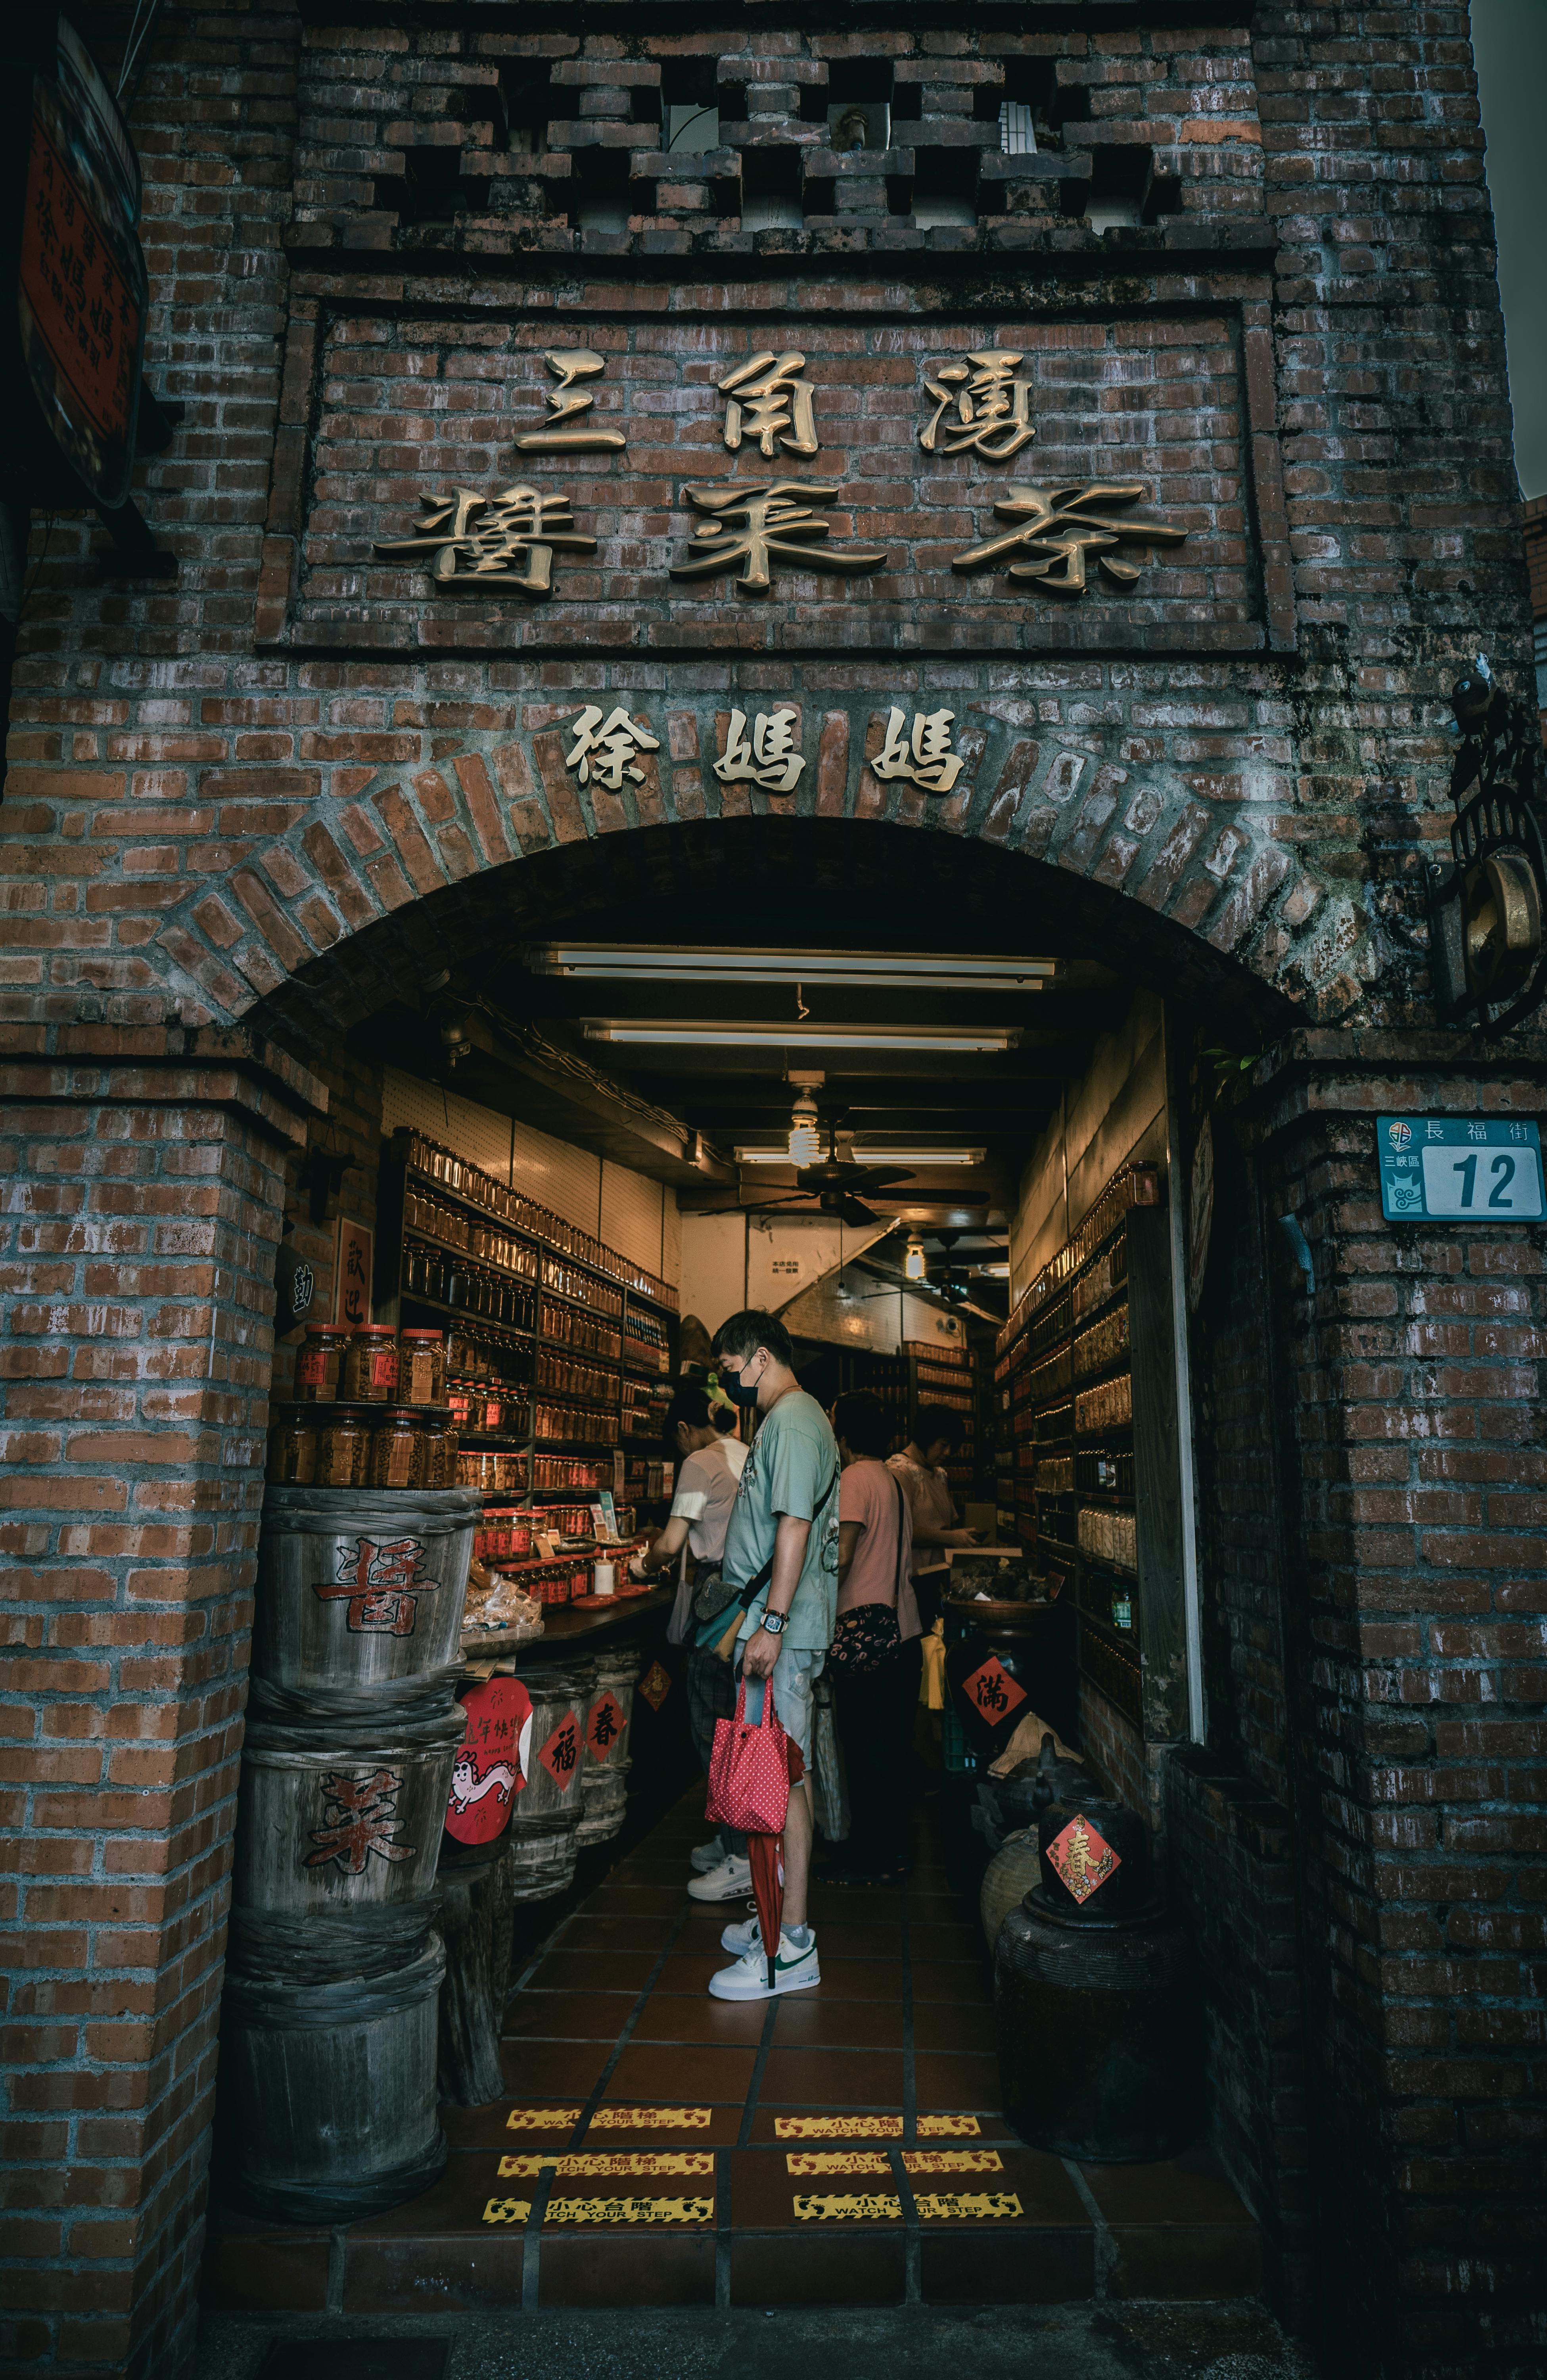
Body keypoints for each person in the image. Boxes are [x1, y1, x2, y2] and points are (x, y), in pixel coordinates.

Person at [702, 1309, 840, 2001]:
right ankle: (778, 1919)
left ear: (758, 1358)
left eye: (731, 1374)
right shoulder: (792, 1419)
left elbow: (794, 1525)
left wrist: (773, 1622)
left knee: (777, 1780)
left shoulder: (791, 1421)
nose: (731, 1389)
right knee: (787, 1774)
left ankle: (790, 1945)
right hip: (778, 1623)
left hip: (778, 1627)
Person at [629, 1384, 751, 1894]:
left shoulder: (699, 1461)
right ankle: (732, 1843)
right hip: (749, 1594)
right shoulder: (745, 1453)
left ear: (683, 1428)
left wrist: (642, 1563)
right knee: (738, 1719)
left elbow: (673, 1542)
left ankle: (741, 1853)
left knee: (712, 1724)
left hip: (716, 1597)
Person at [820, 1390, 923, 1885]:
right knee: (889, 1751)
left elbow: (841, 1558)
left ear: (846, 1434)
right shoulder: (893, 1479)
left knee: (863, 1752)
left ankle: (870, 1859)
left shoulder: (856, 1478)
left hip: (866, 1638)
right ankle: (893, 1852)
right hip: (902, 1633)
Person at [888, 1405, 982, 1627]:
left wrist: (959, 1535)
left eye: (953, 1447)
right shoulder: (899, 1471)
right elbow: (899, 1530)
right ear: (925, 1437)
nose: (948, 1453)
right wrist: (952, 1538)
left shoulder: (939, 1475)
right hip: (912, 1579)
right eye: (944, 1444)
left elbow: (944, 1525)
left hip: (939, 1577)